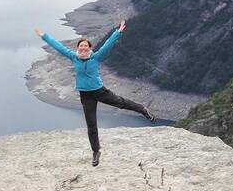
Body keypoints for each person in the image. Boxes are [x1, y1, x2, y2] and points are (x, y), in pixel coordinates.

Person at [34, 19, 156, 166]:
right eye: (81, 46)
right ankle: (96, 152)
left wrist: (118, 32)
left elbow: (108, 45)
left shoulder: (96, 57)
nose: (83, 48)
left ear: (89, 48)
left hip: (100, 91)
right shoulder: (73, 57)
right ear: (77, 48)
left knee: (121, 103)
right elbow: (58, 47)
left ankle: (143, 110)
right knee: (91, 125)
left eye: (86, 46)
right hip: (86, 96)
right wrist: (44, 36)